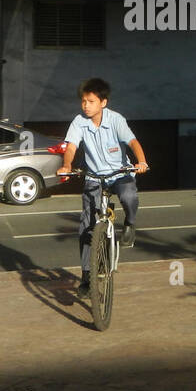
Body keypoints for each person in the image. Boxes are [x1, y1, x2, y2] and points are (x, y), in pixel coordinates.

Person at [57, 78, 148, 297]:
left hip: (119, 174)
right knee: (87, 226)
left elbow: (133, 142)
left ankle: (130, 222)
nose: (85, 105)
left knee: (128, 196)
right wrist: (67, 165)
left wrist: (142, 161)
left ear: (103, 102)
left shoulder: (116, 120)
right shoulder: (79, 122)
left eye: (90, 101)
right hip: (94, 177)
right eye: (83, 101)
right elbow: (71, 147)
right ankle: (87, 277)